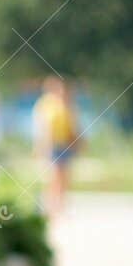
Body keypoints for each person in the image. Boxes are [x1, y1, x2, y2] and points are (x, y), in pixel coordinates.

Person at [31, 76, 81, 218]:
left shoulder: (67, 104)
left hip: (65, 144)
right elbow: (42, 128)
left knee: (64, 177)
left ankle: (60, 205)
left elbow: (73, 126)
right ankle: (51, 207)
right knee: (54, 177)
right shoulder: (45, 104)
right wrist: (41, 147)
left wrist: (77, 142)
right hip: (52, 145)